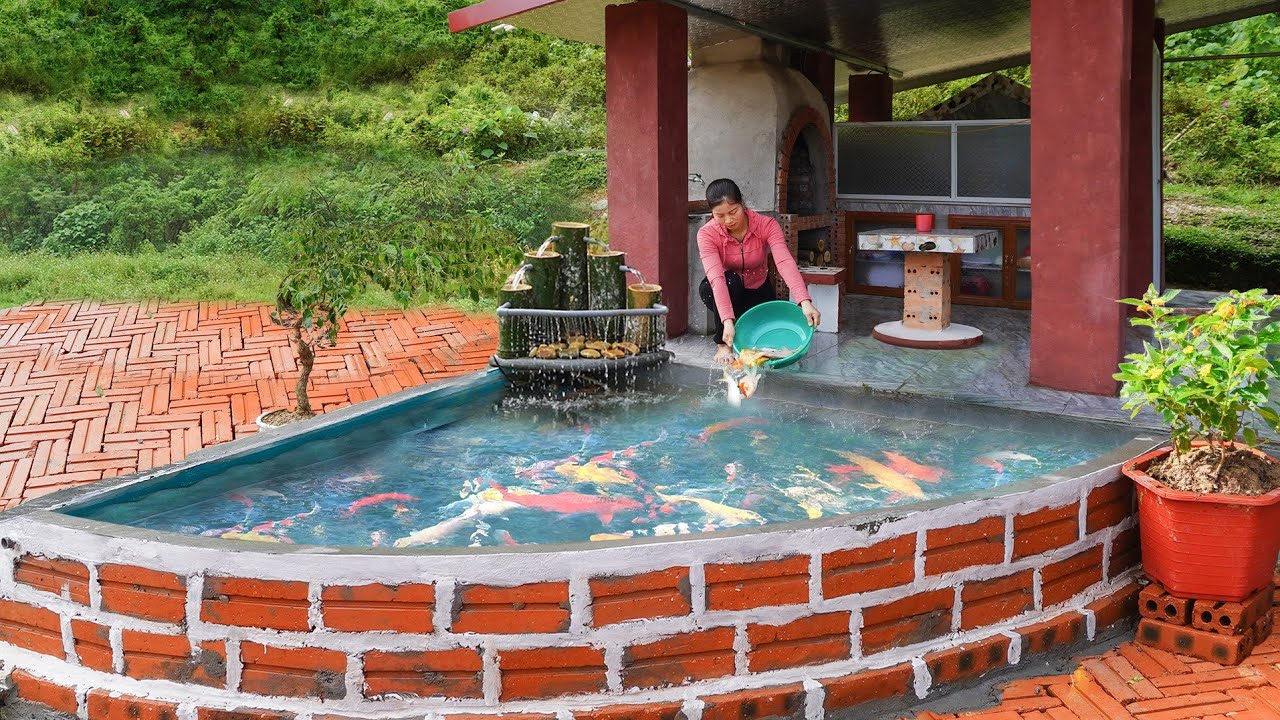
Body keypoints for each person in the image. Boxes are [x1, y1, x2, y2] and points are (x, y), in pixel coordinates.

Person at [697, 178, 820, 364]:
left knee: (767, 333)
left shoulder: (766, 225)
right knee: (730, 279)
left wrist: (804, 301)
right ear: (712, 213)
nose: (728, 220)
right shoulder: (706, 234)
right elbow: (716, 278)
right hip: (722, 288)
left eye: (733, 212)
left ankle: (737, 324)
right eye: (719, 215)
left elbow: (784, 261)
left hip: (757, 287)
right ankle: (723, 343)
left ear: (742, 203)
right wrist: (726, 324)